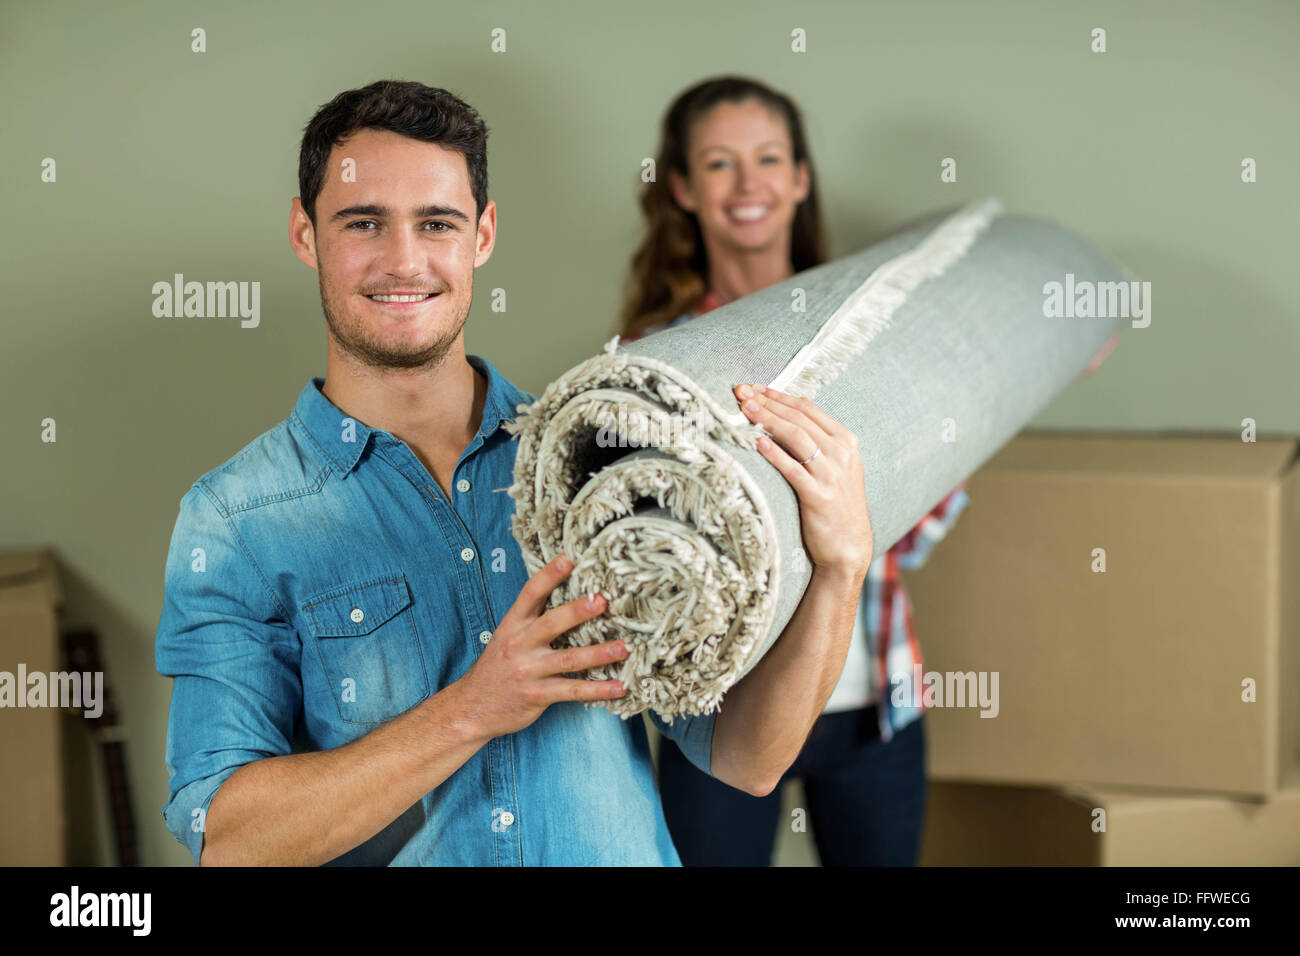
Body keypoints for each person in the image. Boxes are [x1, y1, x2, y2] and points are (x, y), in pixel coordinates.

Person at [154, 79, 876, 866]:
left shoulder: (602, 458)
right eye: (364, 223)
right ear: (305, 233)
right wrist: (472, 708)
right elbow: (228, 838)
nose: (404, 260)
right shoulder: (234, 520)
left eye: (437, 223)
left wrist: (841, 569)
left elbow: (746, 759)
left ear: (483, 235)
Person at [620, 76, 973, 866]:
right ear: (682, 188)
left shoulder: (874, 332)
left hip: (875, 700)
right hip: (723, 707)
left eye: (770, 158)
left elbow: (916, 524)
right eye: (719, 163)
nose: (749, 184)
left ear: (802, 177)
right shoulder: (663, 362)